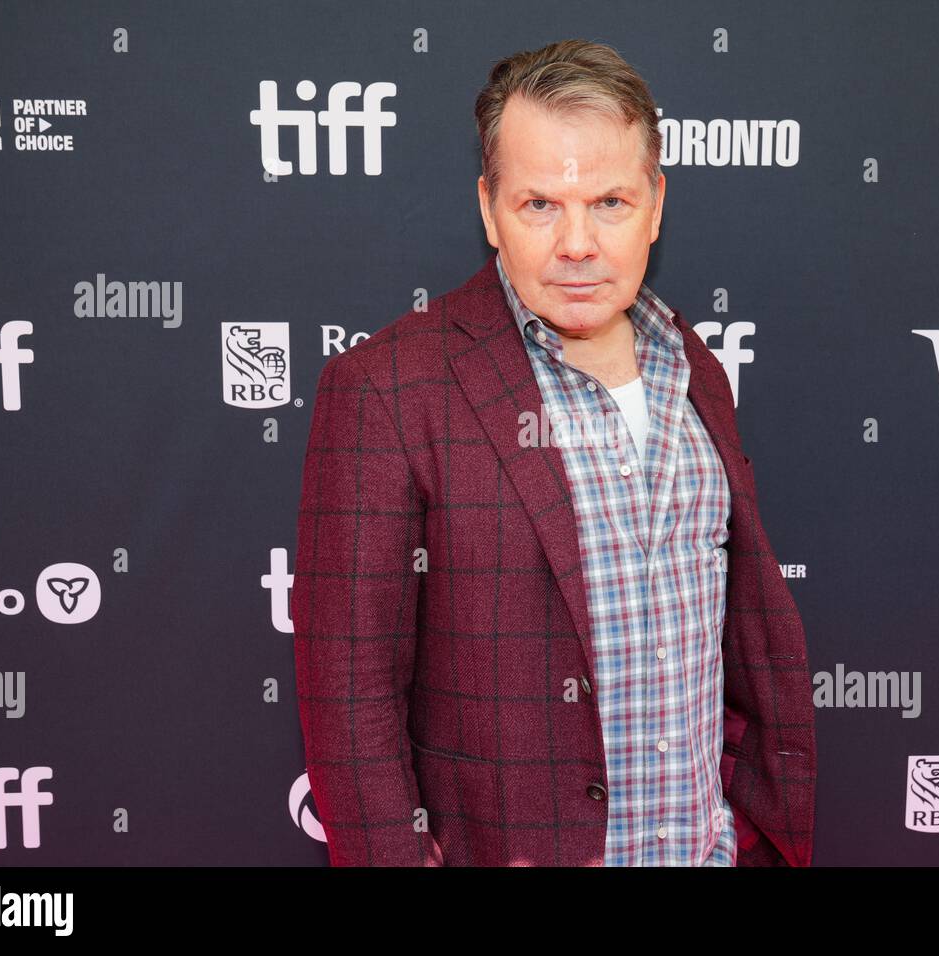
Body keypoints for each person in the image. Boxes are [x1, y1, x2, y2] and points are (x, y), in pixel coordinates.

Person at [291, 38, 815, 866]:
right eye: (541, 204)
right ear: (490, 207)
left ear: (655, 206)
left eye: (609, 201)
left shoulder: (695, 367)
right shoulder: (386, 389)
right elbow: (347, 692)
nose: (578, 243)